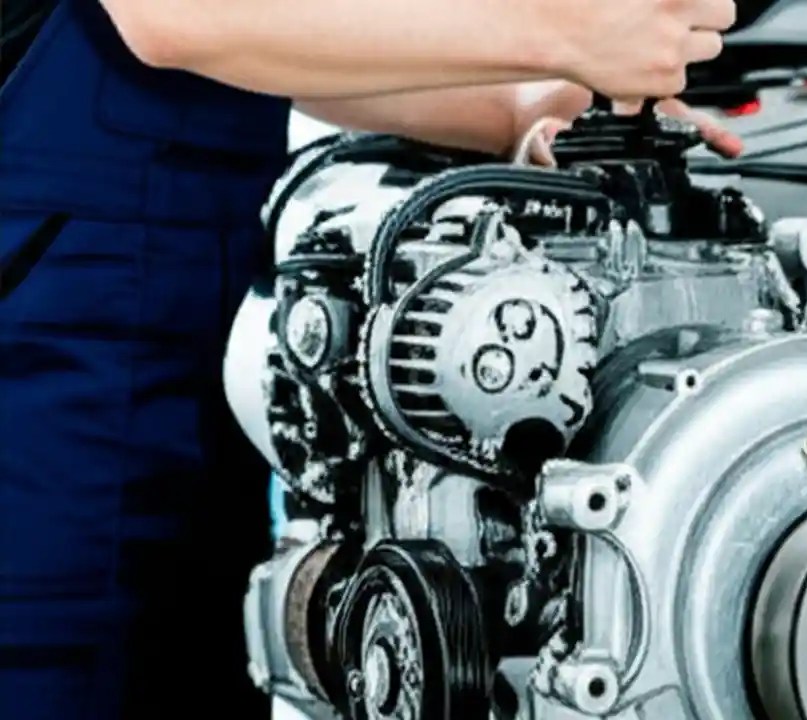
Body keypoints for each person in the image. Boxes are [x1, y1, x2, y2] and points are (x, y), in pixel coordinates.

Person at [0, 1, 740, 719]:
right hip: (49, 354)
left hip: (174, 351)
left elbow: (266, 33)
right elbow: (173, 16)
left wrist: (520, 109)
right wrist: (565, 29)